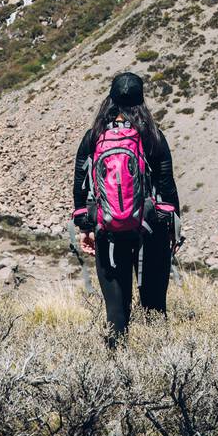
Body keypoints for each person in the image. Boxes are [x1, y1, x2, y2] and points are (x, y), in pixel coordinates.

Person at [72, 71, 180, 340]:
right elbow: (167, 186)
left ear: (110, 99)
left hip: (109, 231)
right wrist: (174, 229)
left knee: (116, 316)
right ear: (141, 101)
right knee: (155, 312)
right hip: (151, 229)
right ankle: (163, 372)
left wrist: (86, 228)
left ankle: (116, 374)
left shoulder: (93, 137)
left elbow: (81, 187)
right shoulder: (152, 136)